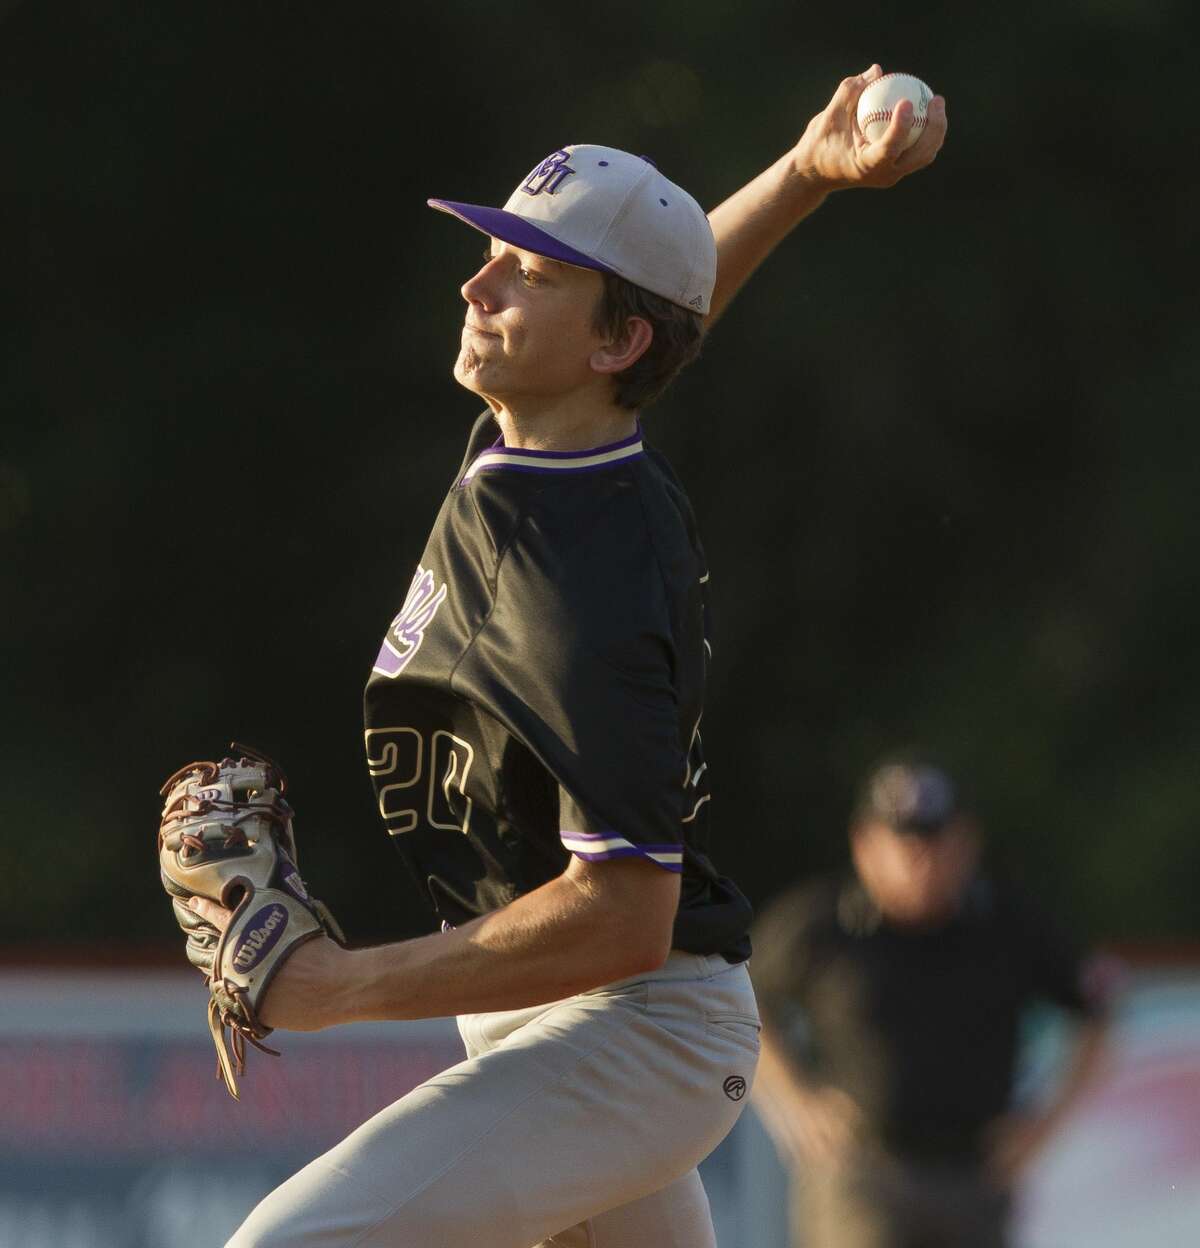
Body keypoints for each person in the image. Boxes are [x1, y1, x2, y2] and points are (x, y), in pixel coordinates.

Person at [187, 67, 948, 1248]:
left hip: (632, 1029)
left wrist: (333, 989)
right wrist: (803, 175)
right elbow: (658, 314)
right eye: (493, 251)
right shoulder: (547, 442)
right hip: (567, 1018)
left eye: (527, 273)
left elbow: (624, 915)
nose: (477, 282)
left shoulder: (581, 586)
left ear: (611, 343)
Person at [750, 756, 1113, 1248]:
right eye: (904, 841)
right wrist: (795, 1102)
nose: (921, 857)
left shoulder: (1006, 924)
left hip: (974, 1174)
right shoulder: (825, 924)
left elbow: (1095, 1011)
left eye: (936, 839)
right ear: (865, 845)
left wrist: (1043, 1126)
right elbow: (741, 1001)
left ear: (967, 842)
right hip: (864, 1172)